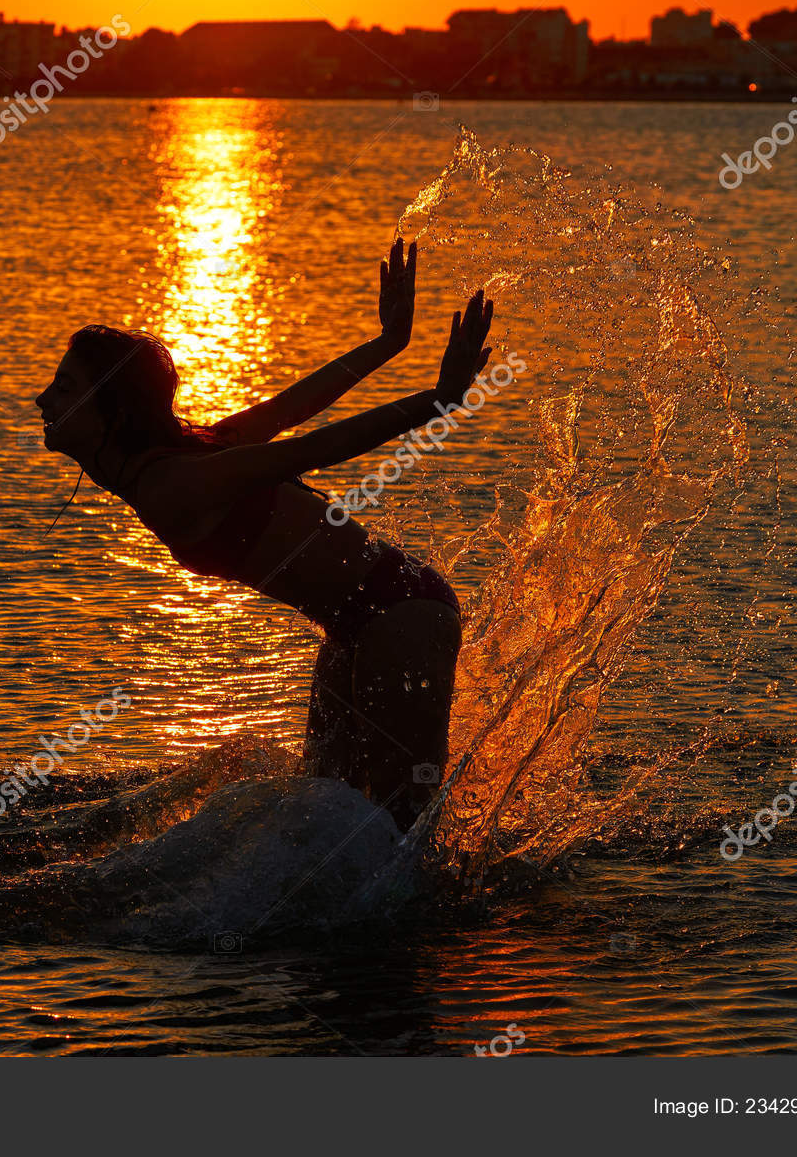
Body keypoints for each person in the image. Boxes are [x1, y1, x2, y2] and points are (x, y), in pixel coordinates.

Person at [35, 238, 496, 831]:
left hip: (403, 611)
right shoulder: (185, 456)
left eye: (66, 389)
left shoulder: (175, 482)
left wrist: (440, 401)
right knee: (329, 811)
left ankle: (458, 912)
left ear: (113, 413)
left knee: (402, 822)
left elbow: (312, 447)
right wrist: (389, 344)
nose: (43, 398)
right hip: (353, 626)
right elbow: (290, 408)